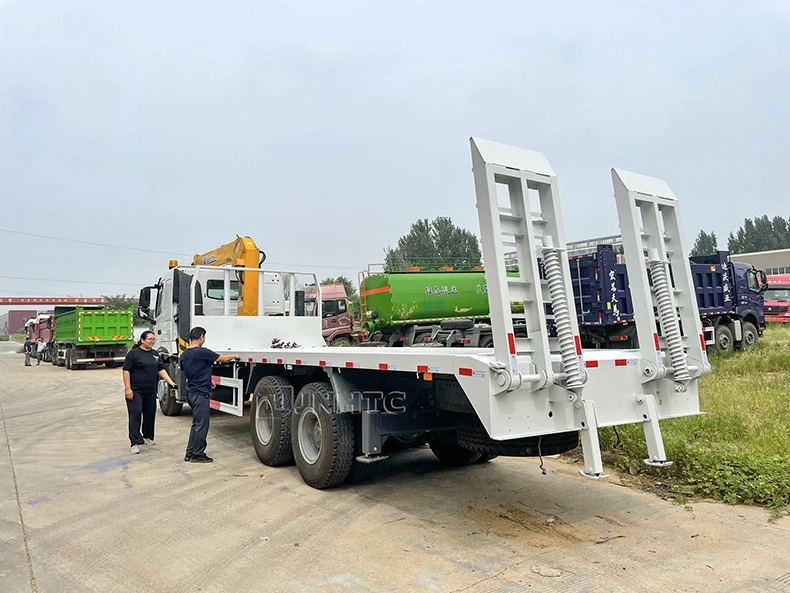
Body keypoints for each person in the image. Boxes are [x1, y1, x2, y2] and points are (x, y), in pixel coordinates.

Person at [180, 326, 240, 463]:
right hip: (200, 393)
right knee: (202, 425)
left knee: (196, 424)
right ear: (201, 337)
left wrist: (207, 381)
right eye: (204, 337)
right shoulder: (202, 352)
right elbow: (223, 358)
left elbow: (192, 371)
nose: (204, 340)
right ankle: (197, 454)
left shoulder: (184, 354)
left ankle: (190, 453)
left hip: (191, 391)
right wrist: (235, 356)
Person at [122, 331, 177, 455]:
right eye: (150, 339)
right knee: (135, 414)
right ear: (142, 340)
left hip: (150, 390)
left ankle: (147, 436)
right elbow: (126, 371)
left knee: (150, 413)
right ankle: (135, 442)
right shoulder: (133, 354)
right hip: (136, 390)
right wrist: (128, 388)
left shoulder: (155, 354)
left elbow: (160, 369)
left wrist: (170, 381)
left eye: (154, 339)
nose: (152, 341)